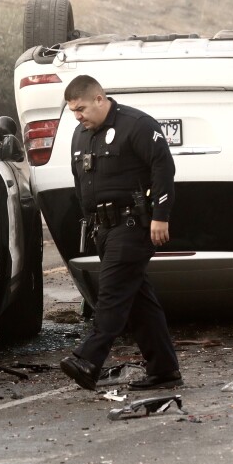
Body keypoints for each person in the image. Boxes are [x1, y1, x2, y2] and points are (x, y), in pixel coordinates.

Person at [58, 75, 182, 391]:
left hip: (132, 226)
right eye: (73, 111)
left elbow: (163, 167)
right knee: (140, 302)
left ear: (100, 98)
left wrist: (160, 217)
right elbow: (80, 181)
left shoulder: (136, 125)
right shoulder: (80, 135)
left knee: (111, 294)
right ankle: (164, 370)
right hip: (103, 228)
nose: (78, 116)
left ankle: (89, 359)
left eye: (82, 108)